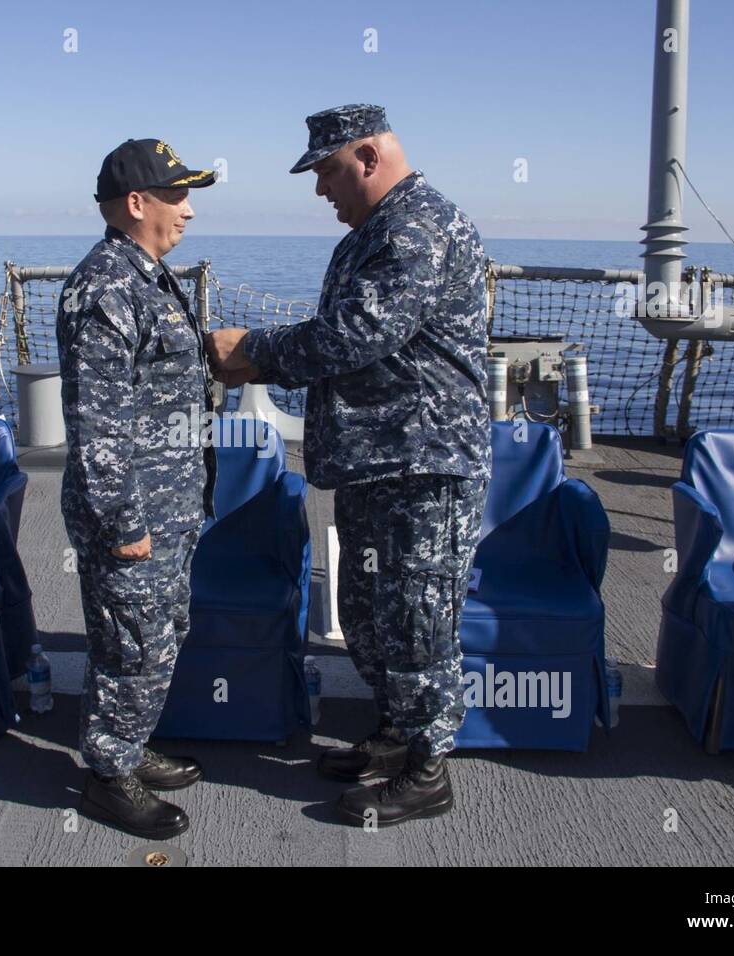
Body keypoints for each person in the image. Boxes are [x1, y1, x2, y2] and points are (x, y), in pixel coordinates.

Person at [207, 105, 490, 827]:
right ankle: (397, 738)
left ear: (367, 156)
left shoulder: (415, 227)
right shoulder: (378, 229)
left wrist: (255, 351)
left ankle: (427, 770)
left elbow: (359, 333)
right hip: (380, 464)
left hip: (421, 466)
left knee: (418, 617)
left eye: (327, 170)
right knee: (372, 615)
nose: (319, 188)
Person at [57, 138, 217, 838]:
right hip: (134, 510)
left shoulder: (147, 274)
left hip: (170, 502)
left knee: (156, 635)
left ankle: (126, 740)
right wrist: (124, 525)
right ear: (136, 203)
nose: (188, 211)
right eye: (178, 196)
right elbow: (96, 426)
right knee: (134, 644)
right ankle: (108, 776)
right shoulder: (106, 288)